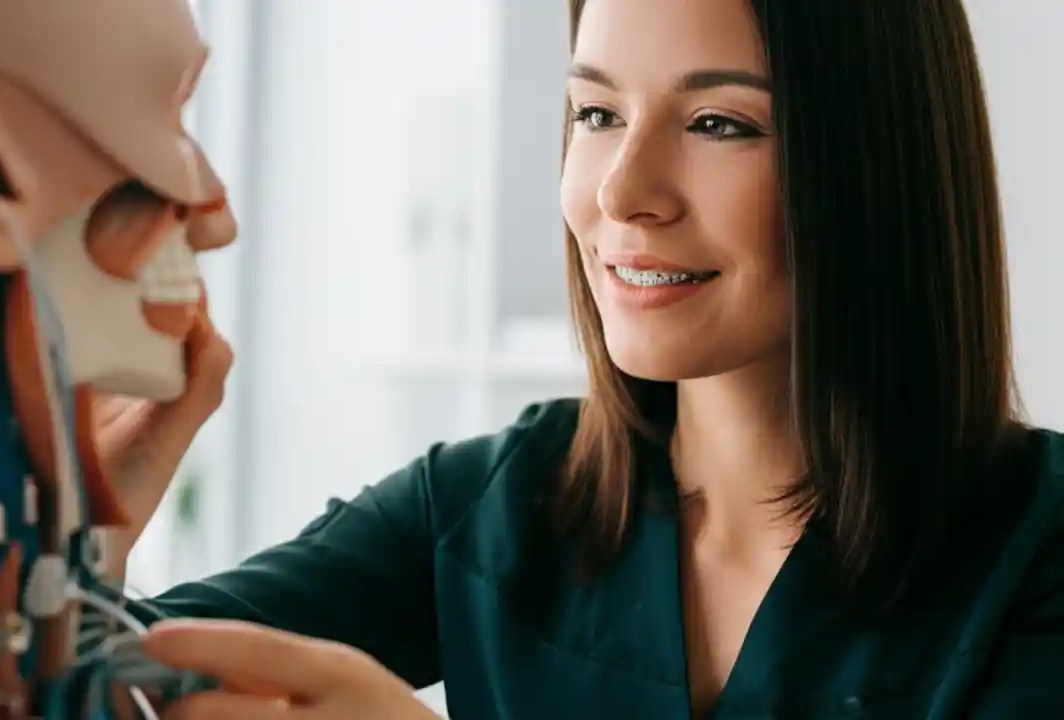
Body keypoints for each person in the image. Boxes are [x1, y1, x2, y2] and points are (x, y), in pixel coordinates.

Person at [104, 0, 1064, 717]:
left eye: (717, 124)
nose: (622, 192)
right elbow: (80, 688)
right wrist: (86, 531)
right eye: (596, 114)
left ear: (878, 163)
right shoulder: (491, 505)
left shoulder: (1039, 554)